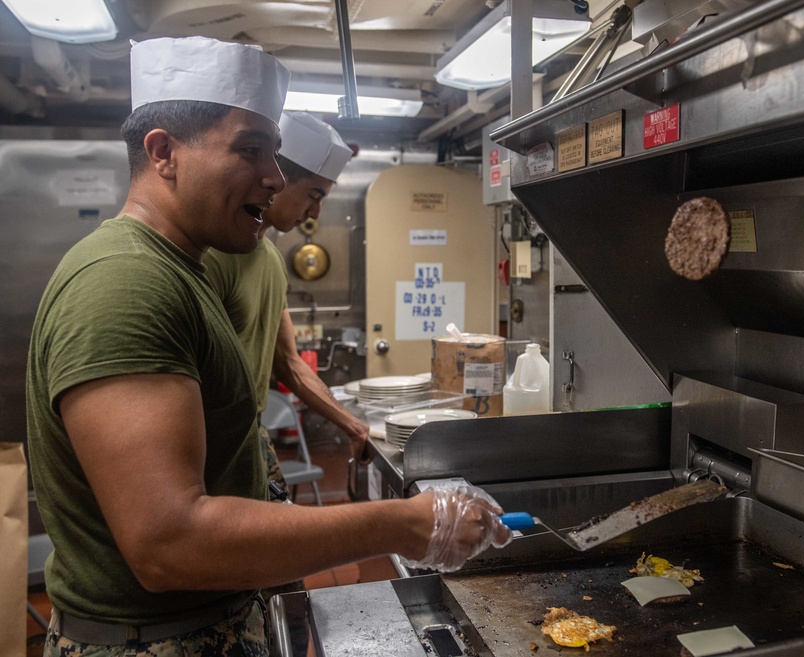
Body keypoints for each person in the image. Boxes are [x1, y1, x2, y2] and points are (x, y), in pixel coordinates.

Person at [26, 36, 511, 656]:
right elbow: (168, 545)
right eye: (250, 149)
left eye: (275, 154)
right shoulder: (124, 283)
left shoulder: (185, 268)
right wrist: (408, 523)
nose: (275, 177)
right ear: (164, 152)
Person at [203, 111, 368, 491]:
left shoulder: (272, 260)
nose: (315, 213)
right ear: (277, 180)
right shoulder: (215, 258)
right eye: (313, 195)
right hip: (211, 449)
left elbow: (289, 363)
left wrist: (353, 426)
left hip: (251, 437)